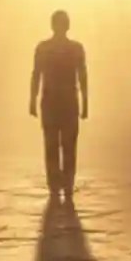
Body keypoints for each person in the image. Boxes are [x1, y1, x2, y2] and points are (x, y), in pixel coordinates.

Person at [29, 10, 88, 199]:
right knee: (60, 144)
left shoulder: (46, 48)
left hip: (58, 101)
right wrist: (32, 98)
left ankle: (59, 183)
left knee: (57, 144)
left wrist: (32, 99)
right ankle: (62, 183)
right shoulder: (73, 48)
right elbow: (36, 74)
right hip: (61, 101)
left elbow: (82, 76)